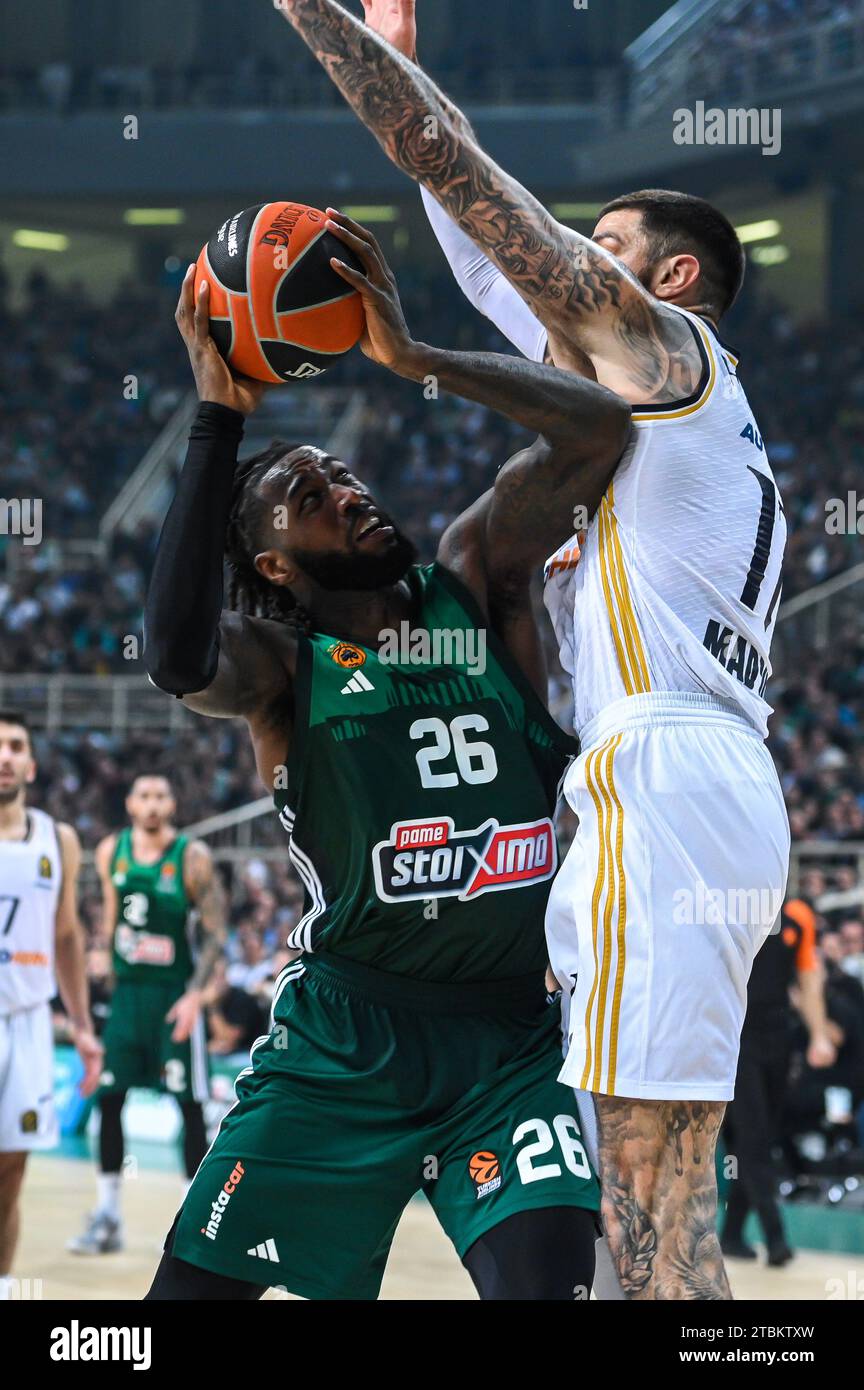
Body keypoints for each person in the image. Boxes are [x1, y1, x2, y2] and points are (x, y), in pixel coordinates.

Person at [276, 0, 791, 1299]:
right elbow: (498, 266)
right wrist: (410, 82)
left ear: (668, 282)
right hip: (718, 786)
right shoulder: (701, 435)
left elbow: (475, 190)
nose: (574, 260)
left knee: (649, 1224)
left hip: (662, 787)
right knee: (663, 1221)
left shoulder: (672, 357)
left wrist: (325, 23)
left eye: (604, 249)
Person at [142, 212, 630, 1300]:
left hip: (507, 1043)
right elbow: (173, 655)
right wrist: (219, 421)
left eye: (343, 475)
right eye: (308, 497)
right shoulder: (281, 665)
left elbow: (602, 432)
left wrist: (418, 360)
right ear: (273, 560)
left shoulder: (476, 576)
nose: (347, 492)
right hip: (341, 1045)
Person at [68, 774, 226, 1255]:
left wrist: (196, 996)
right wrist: (101, 953)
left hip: (173, 997)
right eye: (144, 796)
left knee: (189, 1105)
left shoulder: (191, 857)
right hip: (128, 996)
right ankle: (108, 1215)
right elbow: (113, 915)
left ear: (172, 803)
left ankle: (194, 1224)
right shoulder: (110, 850)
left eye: (161, 795)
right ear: (131, 804)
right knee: (110, 1099)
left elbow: (217, 934)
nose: (153, 804)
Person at [0, 712, 102, 1297]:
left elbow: (67, 937)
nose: (6, 755)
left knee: (9, 1174)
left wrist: (83, 1028)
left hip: (28, 1022)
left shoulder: (57, 839)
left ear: (32, 765)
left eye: (16, 746)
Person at [721, 897, 835, 1267]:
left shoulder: (799, 914)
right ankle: (776, 1237)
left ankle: (733, 1234)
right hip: (735, 1039)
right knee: (752, 1140)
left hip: (778, 1039)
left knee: (755, 1139)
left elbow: (809, 977)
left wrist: (818, 1033)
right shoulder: (728, 906)